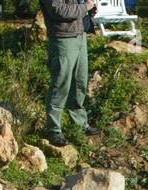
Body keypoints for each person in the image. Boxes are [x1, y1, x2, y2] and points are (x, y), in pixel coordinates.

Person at [41, 0, 99, 145]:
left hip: (80, 36)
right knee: (60, 84)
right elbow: (59, 10)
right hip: (63, 39)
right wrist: (85, 7)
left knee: (80, 82)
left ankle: (80, 124)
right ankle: (53, 130)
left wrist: (89, 10)